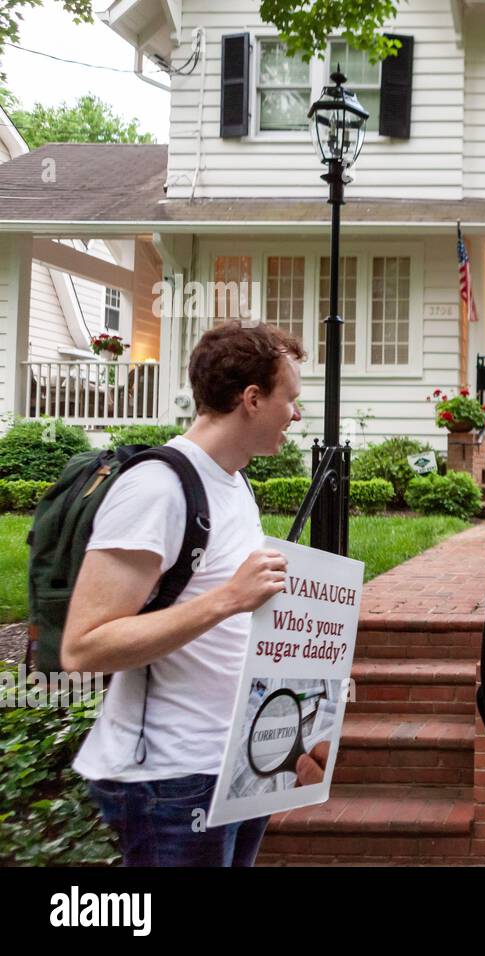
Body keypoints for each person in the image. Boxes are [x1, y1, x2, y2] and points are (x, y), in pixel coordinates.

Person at [63, 320, 306, 867]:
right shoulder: (157, 488)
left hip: (239, 762)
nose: (296, 413)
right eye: (290, 399)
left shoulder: (234, 481)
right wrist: (226, 600)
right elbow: (83, 648)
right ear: (251, 399)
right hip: (169, 778)